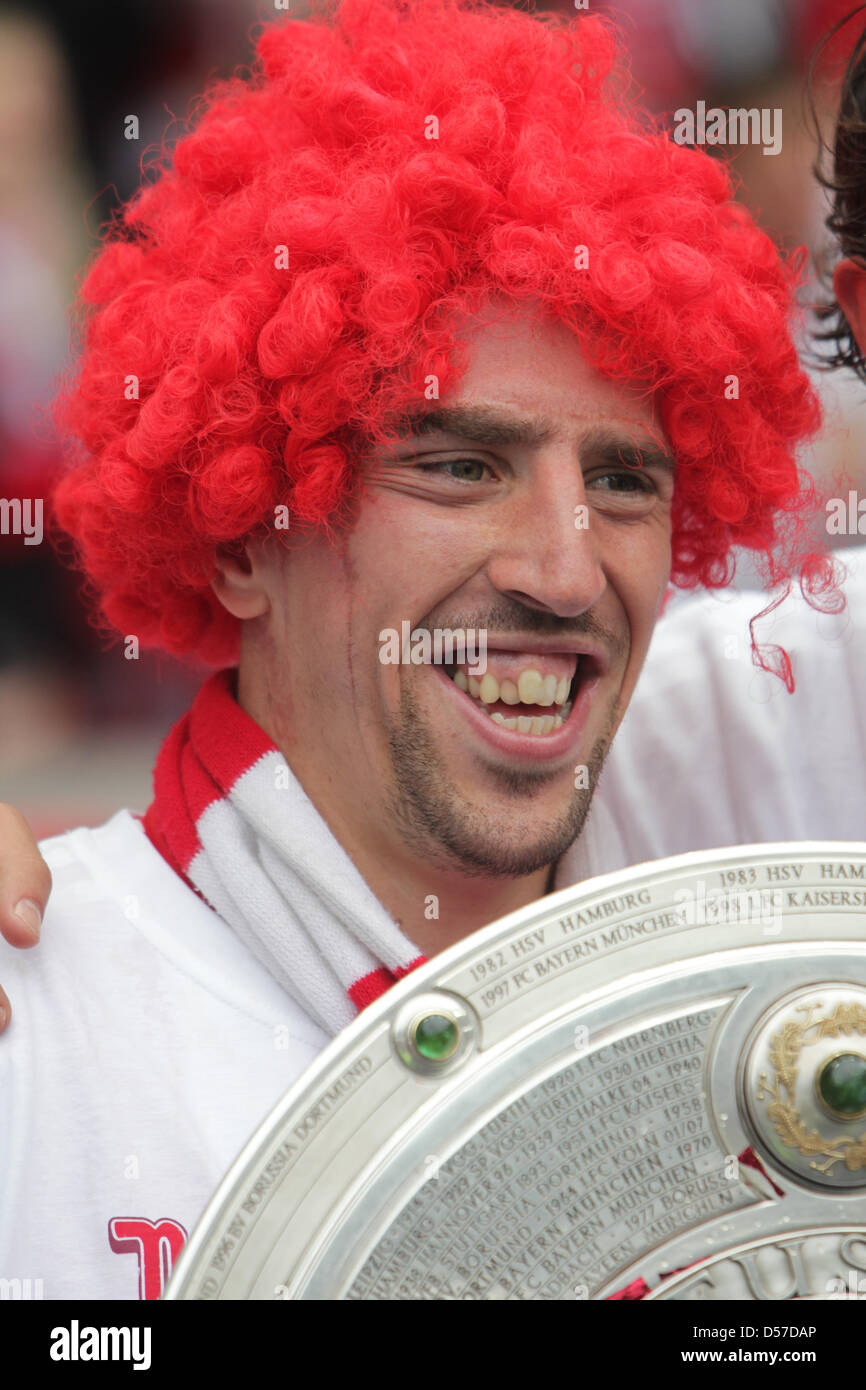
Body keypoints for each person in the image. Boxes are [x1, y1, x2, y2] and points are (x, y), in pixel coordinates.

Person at [0, 0, 843, 1298]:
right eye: (459, 466)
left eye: (623, 481)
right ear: (237, 536)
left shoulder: (738, 895)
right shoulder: (32, 1017)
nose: (564, 570)